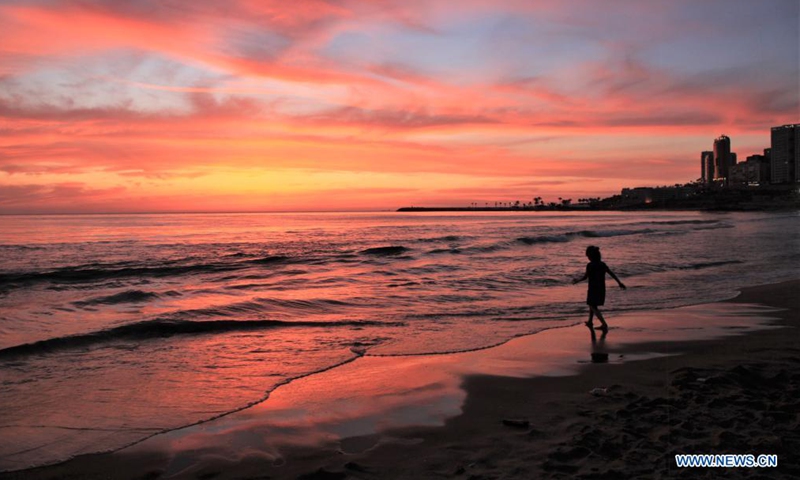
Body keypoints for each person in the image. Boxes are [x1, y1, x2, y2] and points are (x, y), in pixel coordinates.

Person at [572, 245, 625, 333]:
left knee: (592, 305)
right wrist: (619, 283)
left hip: (593, 288)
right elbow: (611, 273)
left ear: (590, 256)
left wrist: (577, 280)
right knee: (592, 305)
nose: (587, 258)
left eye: (588, 256)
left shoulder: (590, 265)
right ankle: (590, 321)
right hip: (601, 288)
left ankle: (604, 324)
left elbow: (585, 277)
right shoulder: (602, 264)